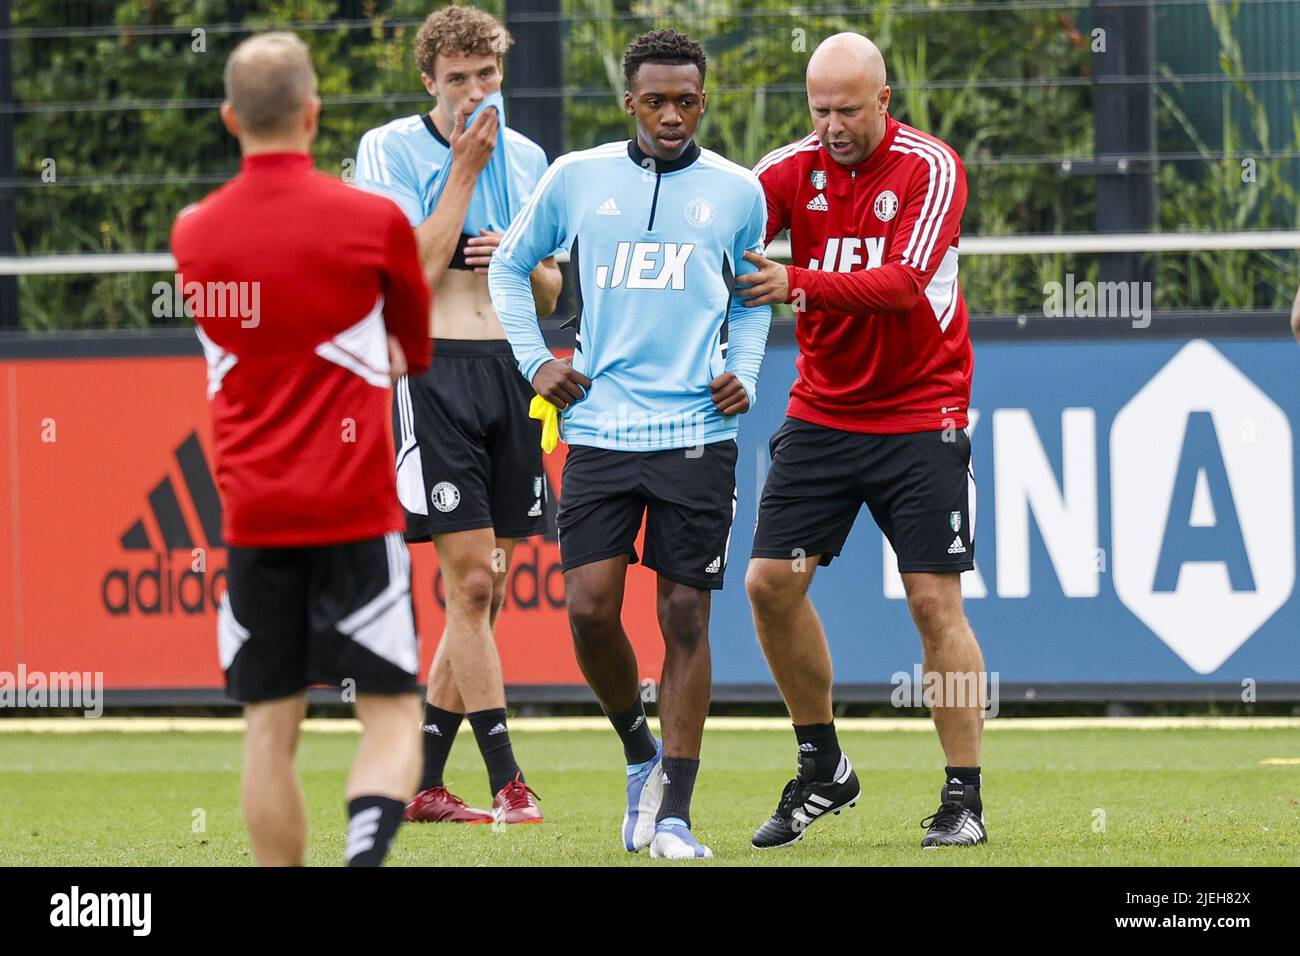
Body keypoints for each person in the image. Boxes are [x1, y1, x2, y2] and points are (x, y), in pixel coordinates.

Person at [489, 29, 771, 860]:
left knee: (685, 613)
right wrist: (537, 362)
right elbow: (511, 268)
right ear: (629, 103)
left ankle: (675, 816)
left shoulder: (737, 191)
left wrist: (744, 372)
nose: (673, 115)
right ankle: (639, 753)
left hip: (697, 433)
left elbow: (753, 296)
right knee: (588, 609)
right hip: (601, 430)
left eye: (687, 100)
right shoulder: (576, 178)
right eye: (656, 100)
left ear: (704, 101)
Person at [171, 32, 432, 866]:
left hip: (255, 519)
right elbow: (409, 354)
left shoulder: (194, 234)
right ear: (314, 117)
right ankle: (365, 853)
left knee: (267, 732)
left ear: (227, 119)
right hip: (355, 512)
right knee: (392, 715)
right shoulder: (375, 221)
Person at [736, 32, 989, 849]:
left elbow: (902, 283)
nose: (833, 125)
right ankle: (823, 768)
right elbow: (721, 231)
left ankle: (964, 798)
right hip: (823, 414)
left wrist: (797, 284)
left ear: (884, 100)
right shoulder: (786, 169)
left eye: (848, 108)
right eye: (819, 109)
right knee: (772, 585)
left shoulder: (929, 167)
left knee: (931, 601)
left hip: (922, 410)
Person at [354, 5, 562, 825]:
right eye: (458, 81)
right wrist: (465, 176)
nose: (476, 94)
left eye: (487, 76)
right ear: (429, 83)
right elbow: (404, 271)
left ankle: (423, 782)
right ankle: (510, 781)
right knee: (470, 581)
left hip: (512, 369)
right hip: (432, 369)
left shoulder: (531, 155)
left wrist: (516, 253)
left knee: (488, 590)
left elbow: (550, 285)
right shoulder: (389, 149)